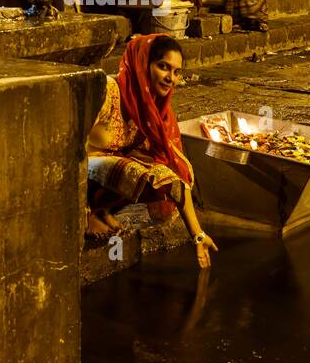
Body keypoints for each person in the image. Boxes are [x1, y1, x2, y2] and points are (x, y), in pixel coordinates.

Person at [86, 34, 217, 268]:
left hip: (109, 173)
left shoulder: (155, 108)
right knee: (130, 169)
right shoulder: (107, 91)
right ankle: (88, 215)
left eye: (177, 72)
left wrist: (197, 235)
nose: (171, 78)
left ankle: (104, 209)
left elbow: (174, 173)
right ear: (142, 64)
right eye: (163, 67)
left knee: (167, 171)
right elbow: (69, 146)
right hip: (81, 168)